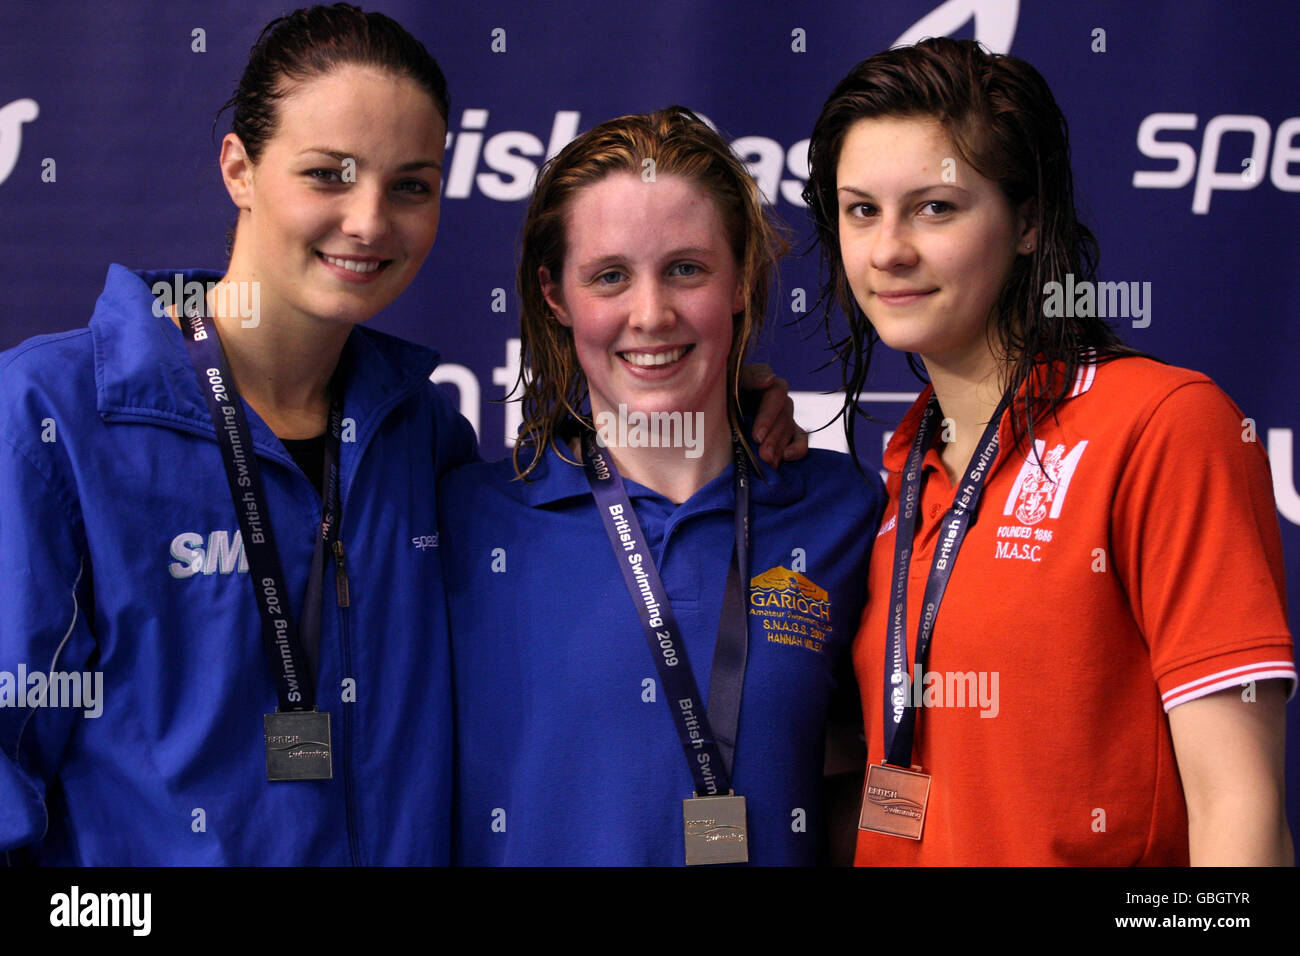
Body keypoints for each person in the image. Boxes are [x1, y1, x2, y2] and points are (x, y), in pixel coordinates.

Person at [0, 5, 802, 866]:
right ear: (239, 167)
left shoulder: (424, 440)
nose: (371, 220)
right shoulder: (54, 411)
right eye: (328, 175)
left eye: (411, 185)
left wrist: (719, 389)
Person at [802, 36, 1295, 866]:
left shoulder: (1166, 424)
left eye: (935, 207)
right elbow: (908, 765)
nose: (888, 249)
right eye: (861, 210)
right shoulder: (905, 466)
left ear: (1028, 222)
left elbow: (1238, 810)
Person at [439, 107, 886, 866]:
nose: (651, 314)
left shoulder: (842, 511)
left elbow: (862, 784)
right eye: (610, 276)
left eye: (686, 269)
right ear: (555, 297)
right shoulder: (462, 523)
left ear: (741, 278)